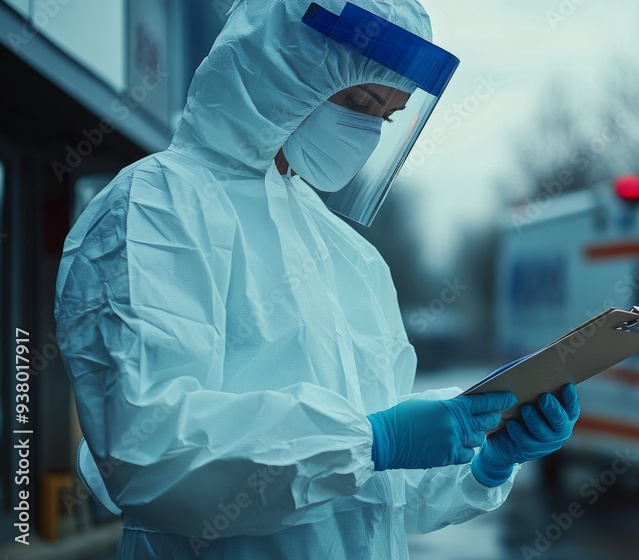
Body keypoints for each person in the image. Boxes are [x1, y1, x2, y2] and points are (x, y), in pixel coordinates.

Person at [53, 1, 579, 558]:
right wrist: (373, 439)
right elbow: (146, 453)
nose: (368, 132)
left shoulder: (349, 255)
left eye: (386, 117)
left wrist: (485, 456)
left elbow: (380, 493)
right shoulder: (159, 207)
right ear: (280, 65)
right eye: (358, 102)